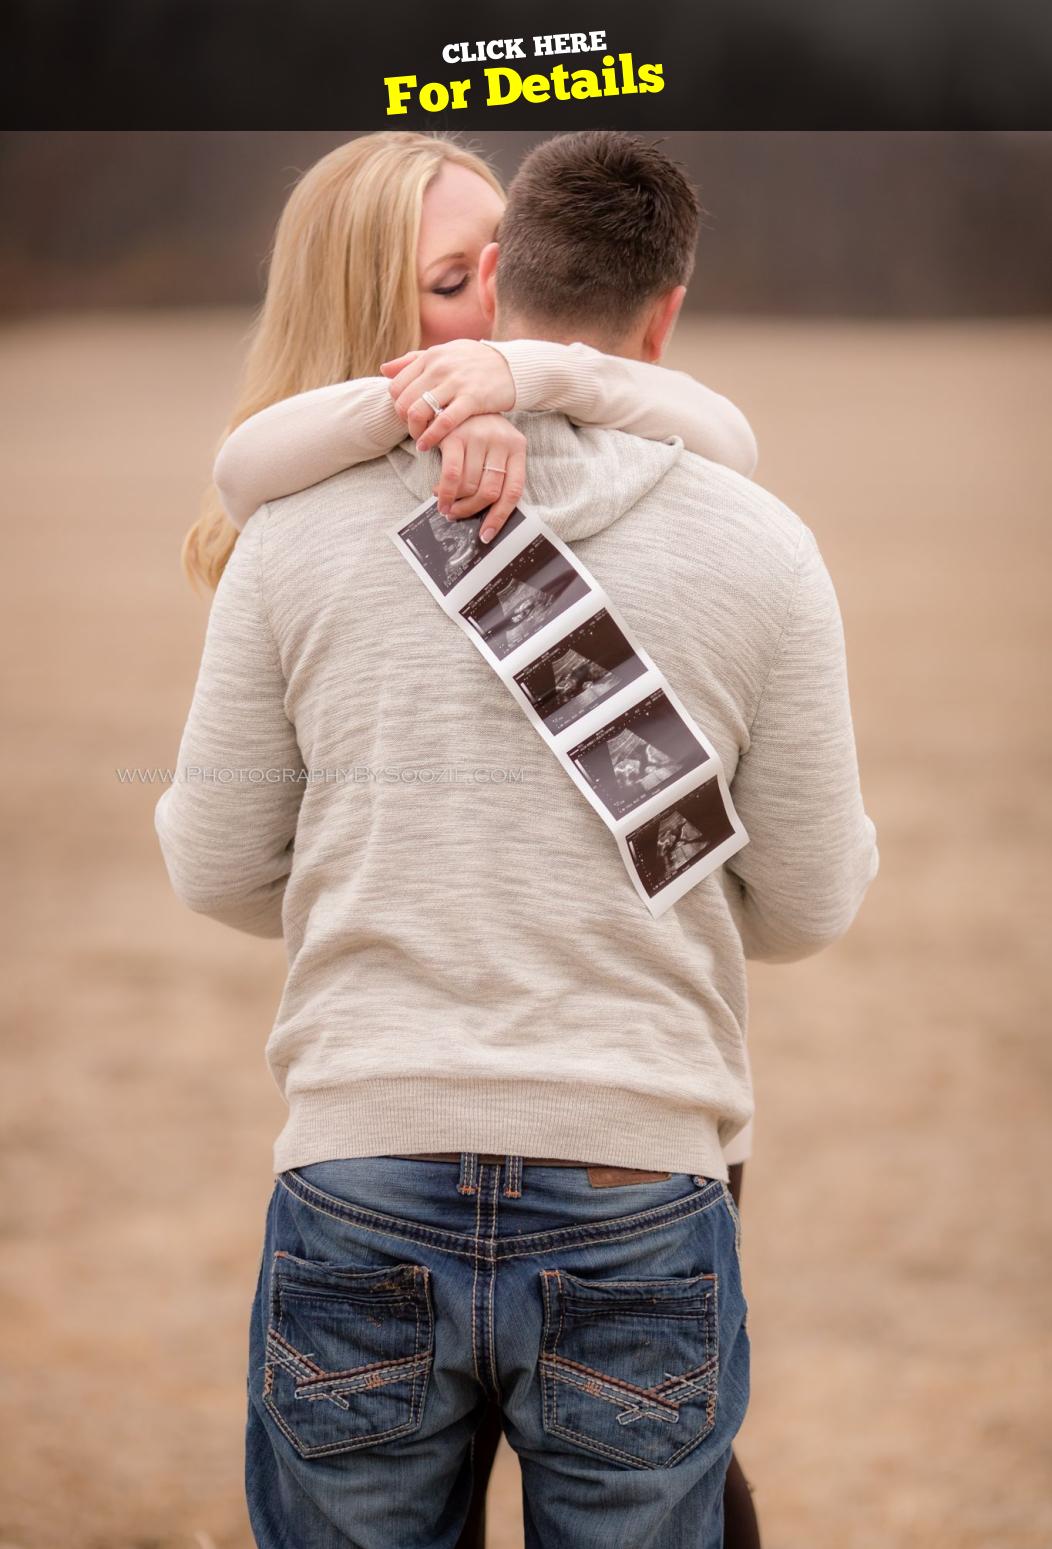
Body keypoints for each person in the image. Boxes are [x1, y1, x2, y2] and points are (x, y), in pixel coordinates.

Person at [155, 130, 879, 1546]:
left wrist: (388, 882)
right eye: (443, 282)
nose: (480, 311)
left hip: (366, 1162)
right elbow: (800, 906)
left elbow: (214, 863)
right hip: (633, 1169)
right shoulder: (761, 539)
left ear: (517, 276)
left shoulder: (292, 538)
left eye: (485, 272)